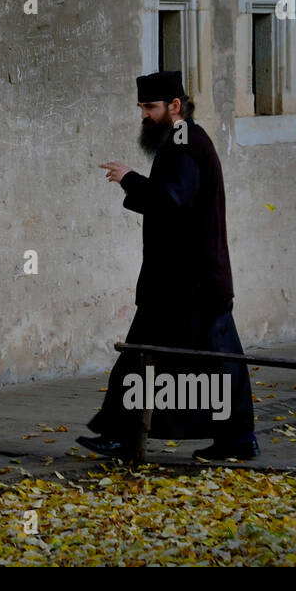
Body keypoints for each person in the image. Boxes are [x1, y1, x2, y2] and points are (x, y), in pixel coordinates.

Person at [77, 71, 258, 461]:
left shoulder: (184, 142)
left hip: (190, 284)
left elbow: (171, 201)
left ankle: (234, 440)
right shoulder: (183, 139)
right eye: (142, 107)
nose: (144, 115)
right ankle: (123, 434)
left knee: (213, 360)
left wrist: (130, 180)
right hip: (181, 283)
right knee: (164, 358)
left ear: (175, 106)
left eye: (150, 107)